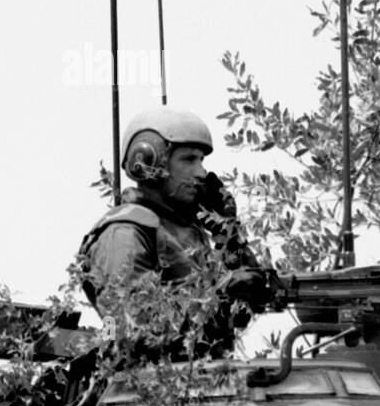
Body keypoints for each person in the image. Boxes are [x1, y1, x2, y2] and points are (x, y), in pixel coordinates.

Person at [79, 106, 260, 357]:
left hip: (202, 381)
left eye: (201, 160)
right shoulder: (125, 234)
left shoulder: (189, 234)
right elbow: (135, 328)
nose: (201, 173)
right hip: (146, 389)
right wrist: (219, 298)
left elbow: (241, 312)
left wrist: (228, 235)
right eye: (188, 160)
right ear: (148, 162)